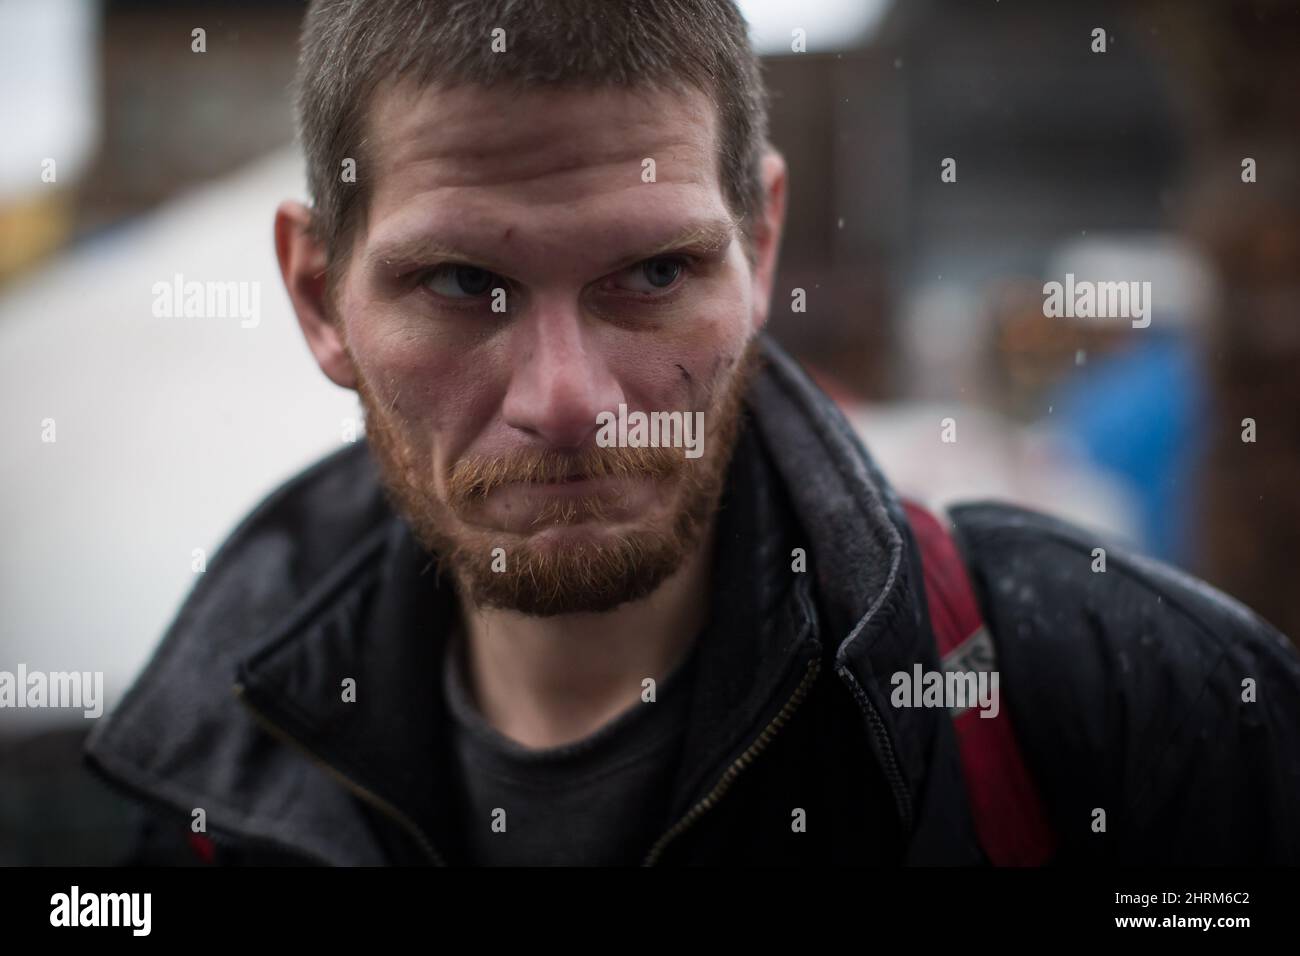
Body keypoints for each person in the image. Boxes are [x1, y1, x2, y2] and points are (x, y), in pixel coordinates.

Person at [85, 0, 1300, 866]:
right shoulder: (198, 791)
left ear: (759, 249)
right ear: (317, 297)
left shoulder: (1129, 704)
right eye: (460, 283)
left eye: (654, 270)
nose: (565, 400)